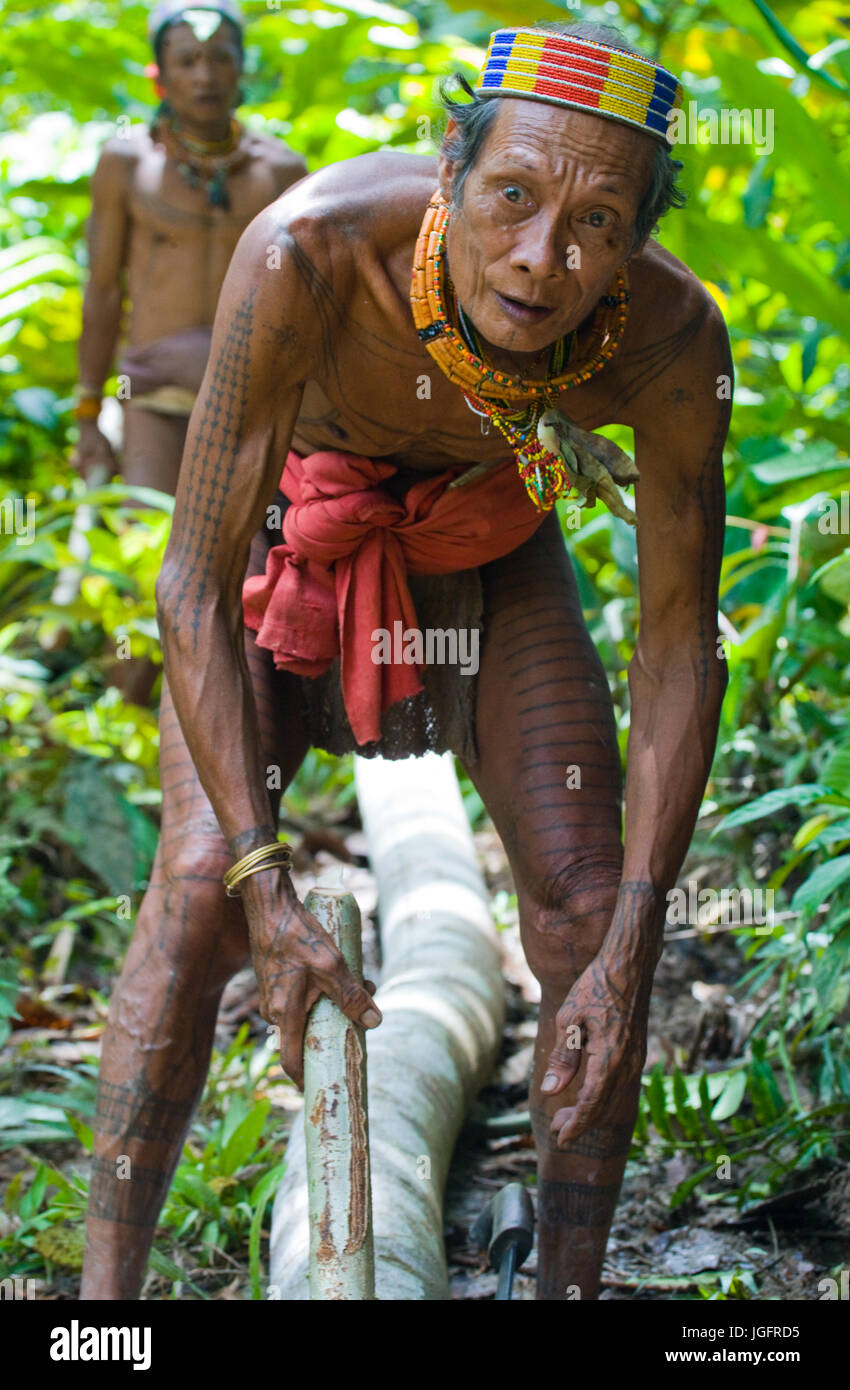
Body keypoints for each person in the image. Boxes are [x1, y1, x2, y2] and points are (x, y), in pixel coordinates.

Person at [81, 20, 731, 1300]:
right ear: (451, 168)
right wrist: (270, 891)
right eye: (512, 197)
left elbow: (674, 653)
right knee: (205, 875)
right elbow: (190, 582)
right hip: (294, 541)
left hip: (488, 547)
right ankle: (104, 1311)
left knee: (591, 910)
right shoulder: (311, 255)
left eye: (600, 222)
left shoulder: (665, 338)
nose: (544, 259)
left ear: (642, 234)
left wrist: (636, 941)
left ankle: (572, 1289)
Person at [73, 0, 306, 700]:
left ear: (242, 71)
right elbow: (103, 292)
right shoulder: (126, 164)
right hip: (154, 401)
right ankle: (128, 719)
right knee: (151, 553)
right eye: (187, 61)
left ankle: (222, 731)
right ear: (159, 77)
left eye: (219, 58)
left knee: (241, 568)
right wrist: (89, 414)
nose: (204, 75)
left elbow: (307, 303)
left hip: (248, 403)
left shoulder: (281, 170)